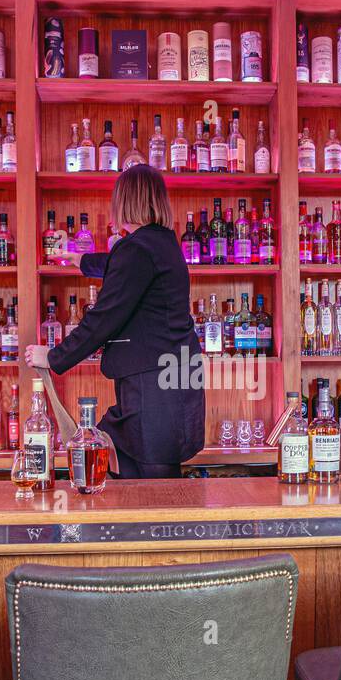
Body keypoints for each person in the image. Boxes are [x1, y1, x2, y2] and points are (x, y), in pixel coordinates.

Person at [24, 164, 205, 478]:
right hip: (172, 379)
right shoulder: (162, 243)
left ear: (125, 202)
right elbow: (121, 264)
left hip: (152, 385)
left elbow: (104, 316)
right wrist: (83, 260)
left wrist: (54, 357)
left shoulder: (137, 249)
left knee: (153, 487)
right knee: (136, 469)